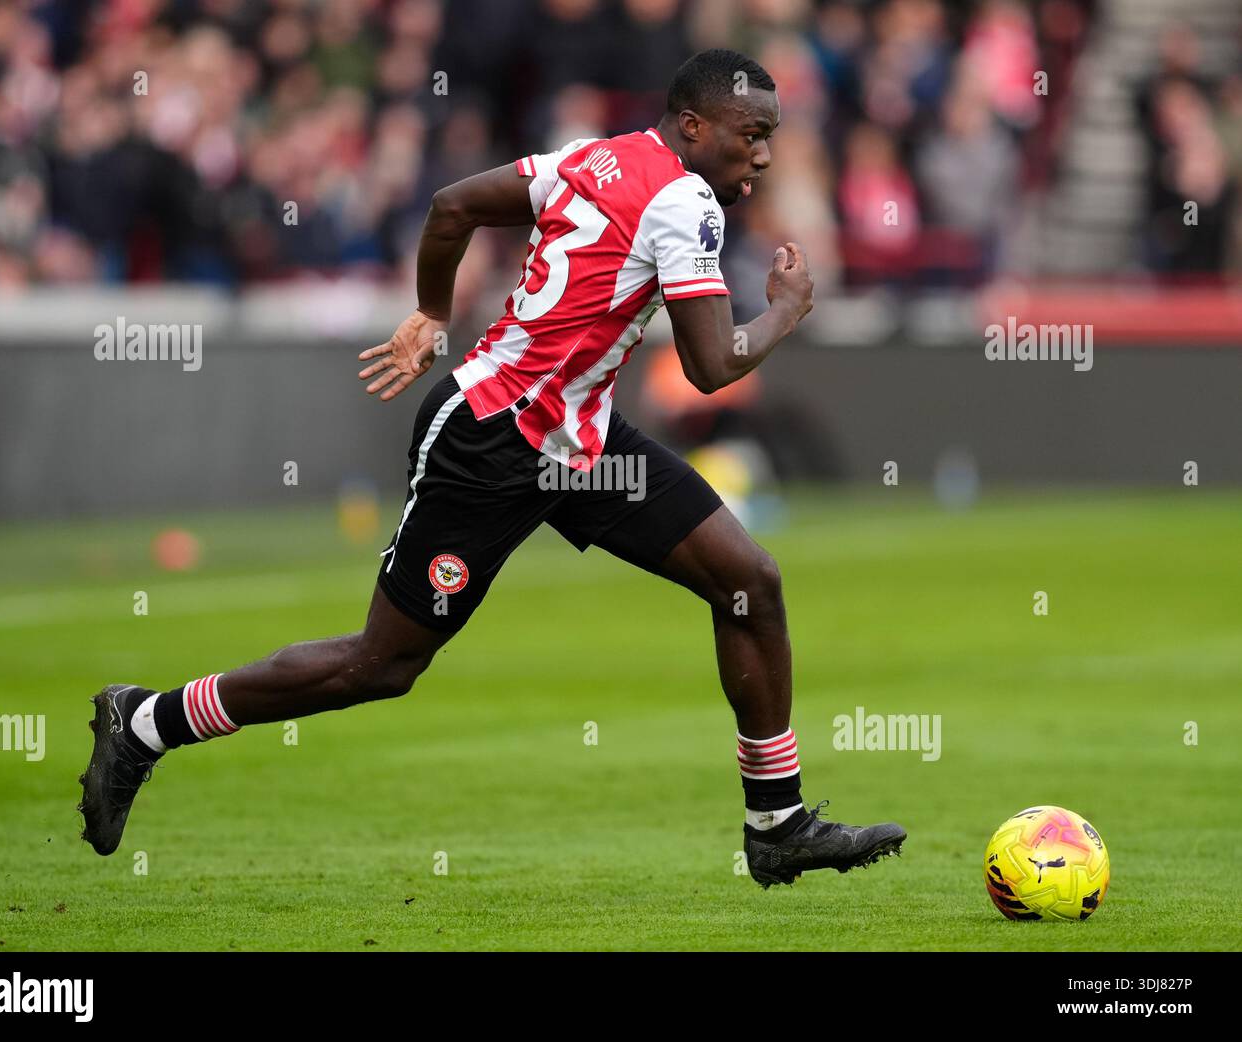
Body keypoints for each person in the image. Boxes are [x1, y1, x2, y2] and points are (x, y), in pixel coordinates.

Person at [78, 48, 905, 888]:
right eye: (750, 134)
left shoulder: (594, 154)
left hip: (578, 442)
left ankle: (777, 823)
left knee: (748, 581)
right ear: (693, 126)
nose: (761, 154)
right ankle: (146, 722)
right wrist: (788, 310)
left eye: (770, 136)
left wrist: (432, 312)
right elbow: (714, 364)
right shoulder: (686, 199)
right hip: (493, 439)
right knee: (382, 665)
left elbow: (453, 206)